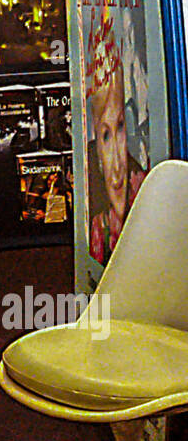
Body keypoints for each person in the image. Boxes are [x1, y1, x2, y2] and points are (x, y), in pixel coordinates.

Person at [86, 15, 145, 269]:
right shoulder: (97, 226)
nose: (118, 165)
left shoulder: (146, 189)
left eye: (120, 127)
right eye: (105, 135)